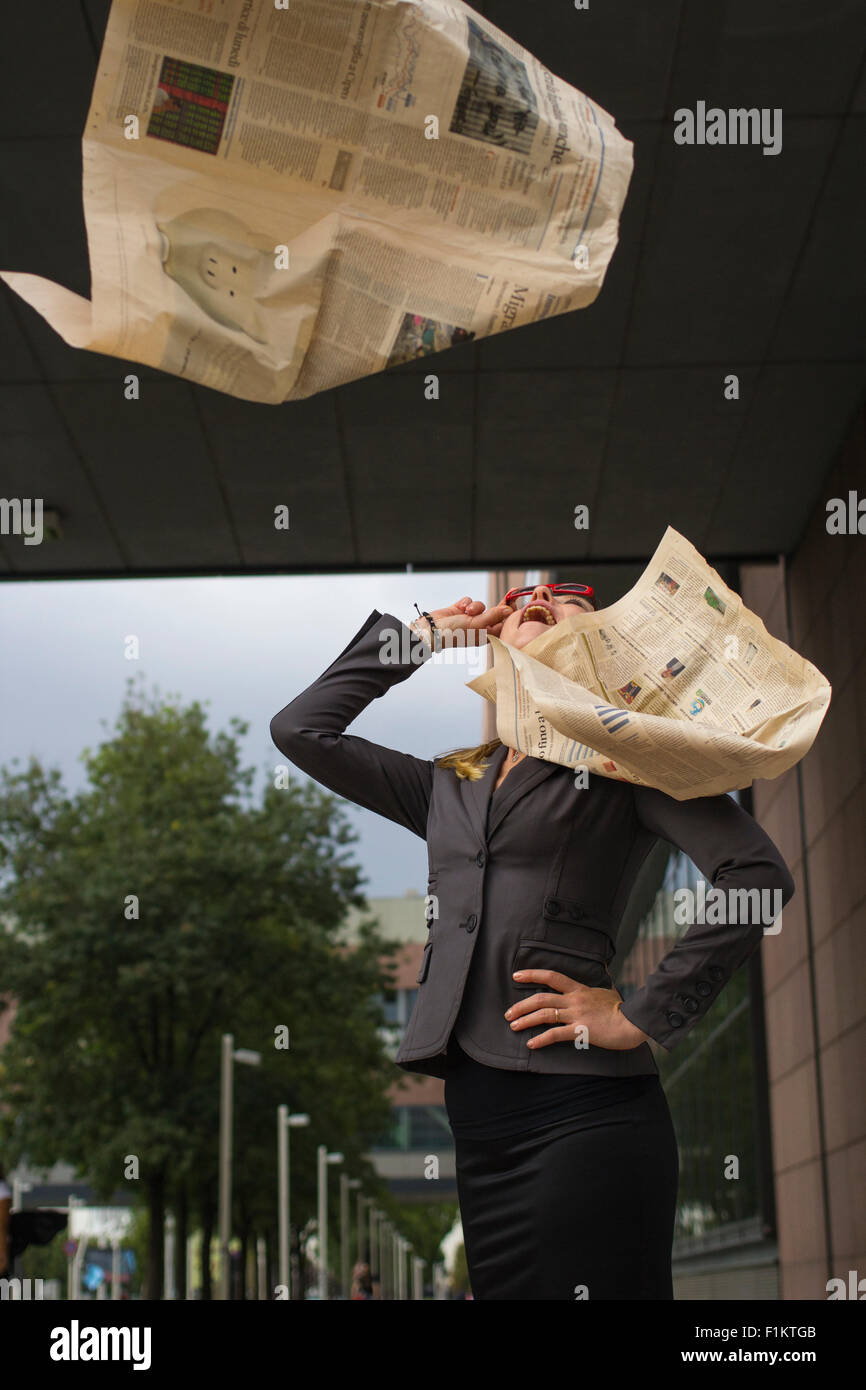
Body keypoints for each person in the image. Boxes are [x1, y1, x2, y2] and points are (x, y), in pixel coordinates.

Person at [269, 584, 795, 1300]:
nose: (541, 596)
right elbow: (302, 730)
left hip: (585, 1115)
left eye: (571, 599)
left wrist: (639, 1014)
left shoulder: (627, 762)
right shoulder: (452, 781)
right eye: (522, 598)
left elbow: (756, 875)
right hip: (481, 1131)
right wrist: (424, 635)